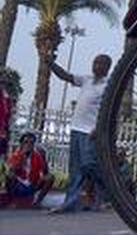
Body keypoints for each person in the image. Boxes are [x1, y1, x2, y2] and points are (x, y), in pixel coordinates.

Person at [48, 53, 111, 213]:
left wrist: (98, 129)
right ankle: (70, 203)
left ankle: (109, 189)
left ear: (107, 67)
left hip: (90, 131)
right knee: (75, 169)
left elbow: (107, 111)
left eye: (100, 64)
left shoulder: (108, 86)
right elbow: (67, 77)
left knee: (88, 163)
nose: (96, 66)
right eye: (94, 62)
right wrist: (51, 64)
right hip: (76, 128)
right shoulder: (86, 79)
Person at [4, 132, 54, 207]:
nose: (29, 145)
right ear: (21, 144)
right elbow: (11, 170)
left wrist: (44, 158)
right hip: (19, 185)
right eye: (26, 142)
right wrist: (22, 157)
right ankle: (13, 201)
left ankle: (37, 202)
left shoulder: (37, 156)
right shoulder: (16, 155)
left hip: (32, 184)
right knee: (9, 175)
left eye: (31, 143)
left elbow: (45, 172)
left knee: (50, 177)